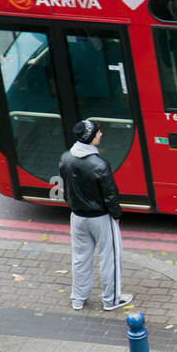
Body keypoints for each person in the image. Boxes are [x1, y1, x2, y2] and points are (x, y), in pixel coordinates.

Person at [59, 119, 132, 311]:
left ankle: (78, 298)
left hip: (77, 217)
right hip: (100, 218)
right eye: (98, 133)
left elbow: (65, 188)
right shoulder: (99, 164)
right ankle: (111, 300)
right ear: (90, 138)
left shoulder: (66, 158)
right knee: (110, 258)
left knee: (80, 258)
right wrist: (116, 214)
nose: (101, 135)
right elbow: (110, 194)